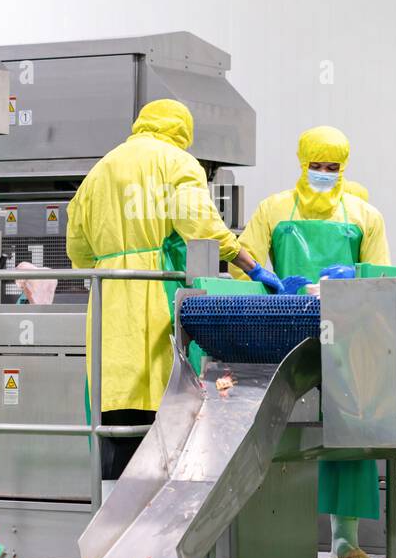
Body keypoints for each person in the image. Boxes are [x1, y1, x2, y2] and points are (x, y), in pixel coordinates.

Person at [67, 99, 282, 500]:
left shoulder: (101, 169)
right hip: (158, 295)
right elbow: (199, 225)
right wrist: (250, 264)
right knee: (164, 404)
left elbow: (77, 248)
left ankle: (113, 517)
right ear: (182, 131)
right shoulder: (178, 162)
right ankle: (159, 520)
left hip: (108, 302)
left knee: (115, 410)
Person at [234, 126, 390, 558]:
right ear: (302, 163)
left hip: (348, 334)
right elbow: (242, 261)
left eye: (332, 168)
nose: (324, 174)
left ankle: (345, 537)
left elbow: (381, 277)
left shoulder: (364, 215)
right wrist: (268, 281)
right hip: (286, 331)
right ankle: (267, 538)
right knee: (276, 431)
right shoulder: (274, 209)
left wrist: (352, 278)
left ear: (345, 167)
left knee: (349, 433)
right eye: (316, 167)